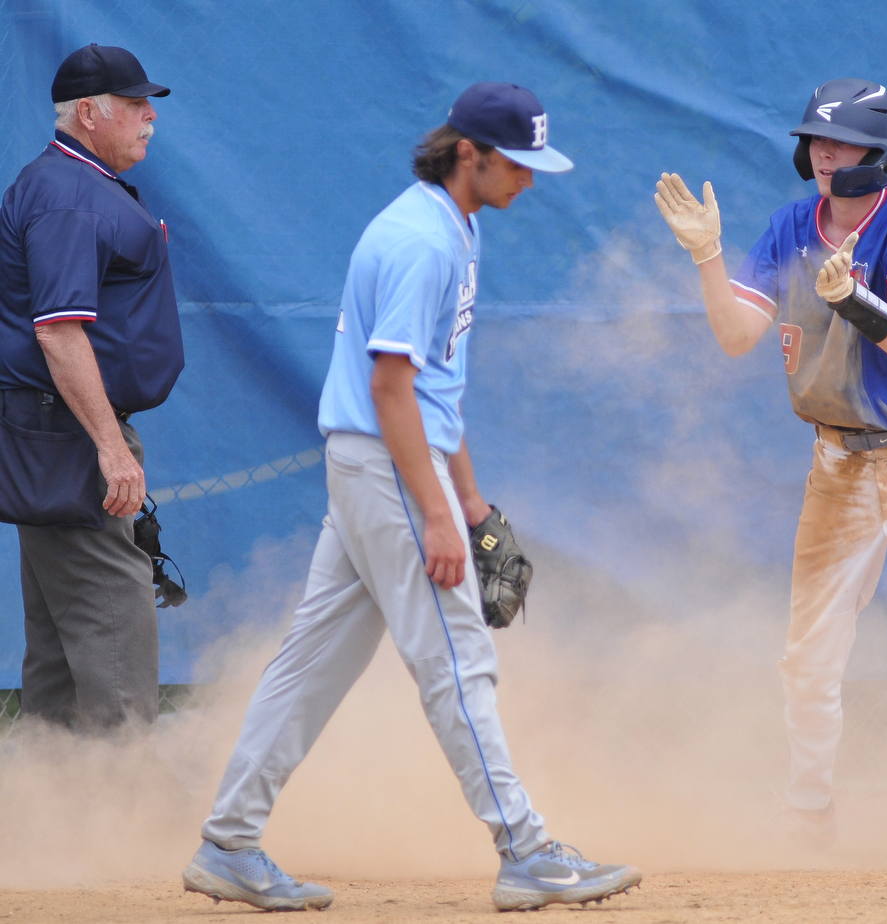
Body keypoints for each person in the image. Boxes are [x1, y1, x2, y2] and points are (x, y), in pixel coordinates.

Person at [182, 83, 642, 912]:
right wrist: (434, 511)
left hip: (387, 465)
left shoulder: (452, 226)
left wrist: (469, 501)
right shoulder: (422, 241)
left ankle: (228, 842)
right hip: (389, 467)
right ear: (469, 152)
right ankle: (526, 850)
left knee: (309, 665)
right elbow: (391, 386)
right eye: (518, 163)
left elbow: (434, 387)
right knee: (459, 662)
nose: (529, 180)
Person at [654, 78, 887, 843]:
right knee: (808, 657)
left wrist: (851, 301)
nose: (824, 154)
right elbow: (735, 337)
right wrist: (708, 256)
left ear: (879, 155)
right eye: (817, 141)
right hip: (839, 466)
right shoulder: (792, 227)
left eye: (842, 142)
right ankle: (809, 810)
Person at [0, 44, 181, 732]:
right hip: (68, 435)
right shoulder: (69, 195)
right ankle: (125, 816)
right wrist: (110, 446)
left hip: (54, 429)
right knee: (113, 625)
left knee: (60, 649)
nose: (149, 119)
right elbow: (58, 332)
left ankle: (53, 815)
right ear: (88, 113)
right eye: (136, 106)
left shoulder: (73, 184)